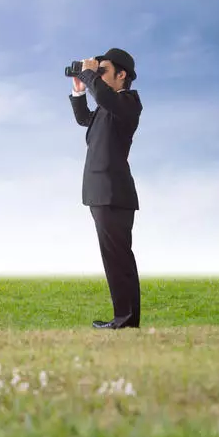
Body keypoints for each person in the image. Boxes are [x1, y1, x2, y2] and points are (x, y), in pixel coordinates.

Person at [69, 48, 142, 329]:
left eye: (103, 71)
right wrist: (79, 90)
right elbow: (85, 119)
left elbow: (103, 97)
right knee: (113, 259)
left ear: (121, 75)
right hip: (100, 191)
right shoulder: (107, 108)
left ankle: (126, 320)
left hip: (113, 192)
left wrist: (89, 75)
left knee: (119, 258)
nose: (96, 77)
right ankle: (124, 318)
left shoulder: (129, 103)